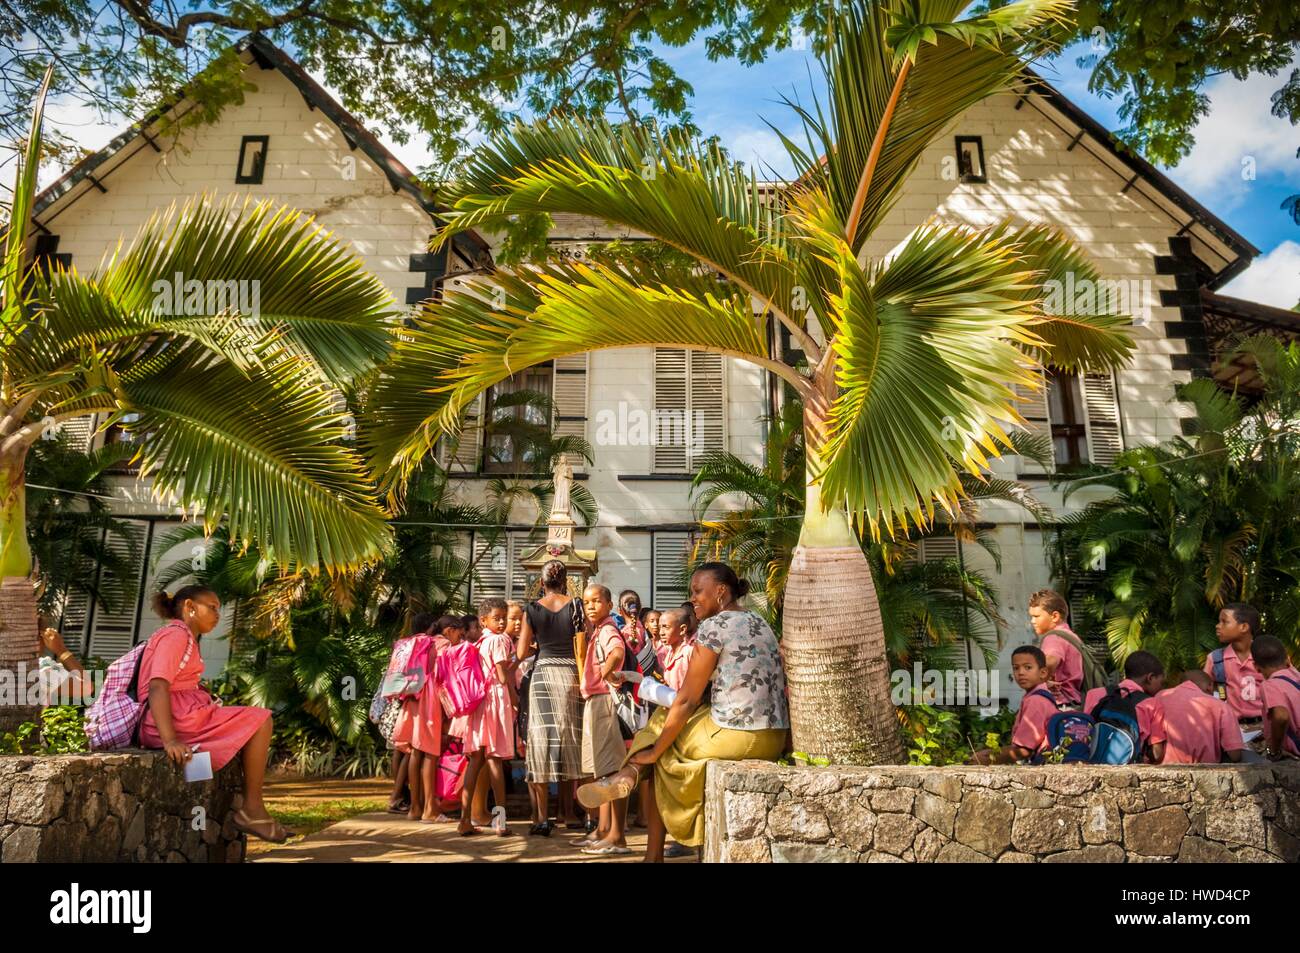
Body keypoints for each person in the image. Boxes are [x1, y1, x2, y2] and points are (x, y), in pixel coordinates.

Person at [578, 562, 789, 863]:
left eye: (698, 591)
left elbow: (687, 700)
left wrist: (653, 753)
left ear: (720, 592)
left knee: (661, 739)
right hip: (773, 736)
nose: (692, 599)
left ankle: (631, 780)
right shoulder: (759, 622)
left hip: (736, 736)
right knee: (666, 725)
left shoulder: (714, 626)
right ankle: (632, 778)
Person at [137, 586, 283, 842]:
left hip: (184, 718)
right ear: (190, 607)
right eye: (212, 607)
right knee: (260, 720)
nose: (218, 614)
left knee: (236, 738)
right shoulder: (176, 635)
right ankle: (252, 809)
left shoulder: (184, 636)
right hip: (172, 721)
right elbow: (158, 686)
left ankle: (204, 809)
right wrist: (170, 739)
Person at [517, 559, 585, 836]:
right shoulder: (577, 605)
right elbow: (583, 641)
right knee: (573, 740)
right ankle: (572, 813)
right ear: (566, 580)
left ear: (542, 583)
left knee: (542, 743)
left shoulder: (531, 609)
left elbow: (521, 652)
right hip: (571, 674)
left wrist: (537, 644)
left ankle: (542, 819)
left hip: (543, 675)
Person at [575, 584, 630, 855]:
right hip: (596, 702)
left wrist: (604, 675)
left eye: (597, 601)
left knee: (612, 771)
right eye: (587, 602)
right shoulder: (597, 630)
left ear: (609, 604)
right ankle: (604, 830)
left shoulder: (608, 629)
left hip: (604, 702)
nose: (591, 606)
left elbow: (617, 653)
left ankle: (617, 836)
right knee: (603, 772)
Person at [464, 598, 517, 835]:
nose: (502, 622)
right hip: (495, 699)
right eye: (497, 618)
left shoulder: (481, 640)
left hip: (479, 703)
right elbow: (503, 677)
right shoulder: (499, 640)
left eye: (503, 618)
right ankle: (500, 822)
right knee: (495, 760)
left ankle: (464, 819)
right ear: (483, 620)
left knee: (476, 760)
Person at [388, 616, 442, 822]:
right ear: (430, 628)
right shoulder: (432, 644)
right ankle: (430, 808)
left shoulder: (404, 644)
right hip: (428, 697)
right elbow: (437, 671)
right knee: (429, 752)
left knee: (413, 751)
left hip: (409, 697)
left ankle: (414, 808)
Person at [969, 646, 1057, 764]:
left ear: (1043, 672)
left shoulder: (1035, 701)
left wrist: (987, 759)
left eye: (1028, 667)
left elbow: (1024, 750)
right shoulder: (1040, 696)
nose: (1021, 673)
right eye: (1016, 668)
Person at [1084, 651, 1168, 763]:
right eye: (1161, 682)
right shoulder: (1152, 704)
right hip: (1127, 767)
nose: (1161, 687)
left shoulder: (1094, 694)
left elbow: (1084, 734)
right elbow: (1157, 755)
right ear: (1150, 678)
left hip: (1091, 763)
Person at [1157, 670, 1244, 764]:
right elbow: (1235, 755)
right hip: (1204, 771)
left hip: (1163, 770)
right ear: (1210, 686)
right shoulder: (1221, 706)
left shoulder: (1159, 697)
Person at [1203, 604, 1265, 724]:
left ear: (1244, 627)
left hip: (1267, 728)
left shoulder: (1267, 656)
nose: (1217, 626)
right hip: (1232, 728)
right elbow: (1202, 692)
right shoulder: (1215, 659)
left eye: (1224, 621)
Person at [1027, 589, 1083, 709]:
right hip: (1074, 705)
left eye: (1036, 616)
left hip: (1059, 706)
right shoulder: (1071, 636)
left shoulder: (1054, 637)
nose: (1033, 621)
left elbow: (1050, 661)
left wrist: (1039, 681)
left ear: (1055, 616)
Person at [1254, 636, 1300, 760]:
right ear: (1288, 659)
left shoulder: (1270, 685)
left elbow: (1281, 716)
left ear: (1256, 666)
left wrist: (1275, 751)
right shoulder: (1296, 675)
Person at [656, 607, 695, 692]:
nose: (661, 633)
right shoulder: (669, 653)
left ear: (682, 629)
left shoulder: (688, 653)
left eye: (666, 627)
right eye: (660, 627)